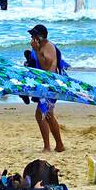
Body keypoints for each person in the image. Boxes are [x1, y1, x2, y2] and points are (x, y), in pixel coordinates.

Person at [28, 24, 66, 152]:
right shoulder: (42, 47)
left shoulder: (48, 46)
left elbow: (46, 67)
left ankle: (55, 145)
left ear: (39, 37)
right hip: (45, 85)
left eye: (33, 35)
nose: (31, 38)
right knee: (42, 115)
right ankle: (52, 146)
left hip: (51, 85)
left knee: (46, 114)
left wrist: (37, 50)